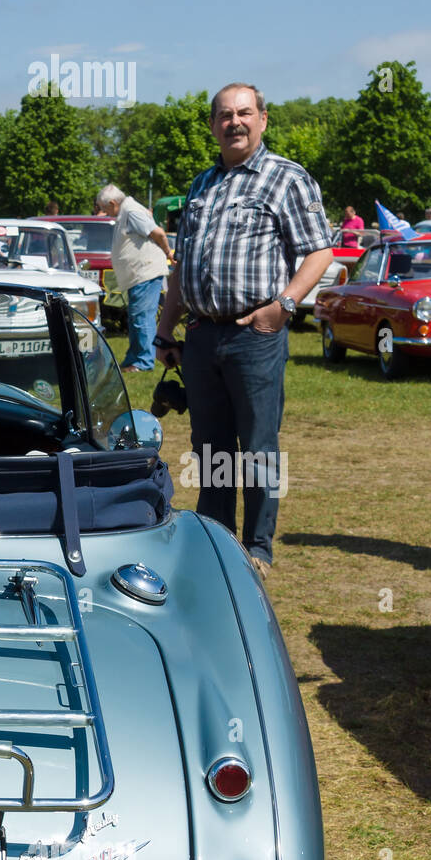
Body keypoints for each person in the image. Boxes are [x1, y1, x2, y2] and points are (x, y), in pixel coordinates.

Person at [155, 82, 333, 579]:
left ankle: (258, 547)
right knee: (210, 446)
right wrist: (167, 332)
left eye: (244, 113)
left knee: (257, 445)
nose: (235, 122)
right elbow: (181, 265)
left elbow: (320, 250)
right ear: (213, 125)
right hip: (202, 335)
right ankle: (217, 541)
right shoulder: (200, 184)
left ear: (263, 119)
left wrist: (283, 306)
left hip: (255, 333)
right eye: (225, 115)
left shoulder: (287, 179)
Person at [97, 183, 172, 371]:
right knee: (135, 318)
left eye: (105, 208)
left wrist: (168, 253)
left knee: (142, 318)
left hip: (145, 273)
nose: (104, 212)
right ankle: (133, 359)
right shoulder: (126, 211)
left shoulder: (132, 212)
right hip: (138, 275)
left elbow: (158, 233)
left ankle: (144, 361)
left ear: (113, 203)